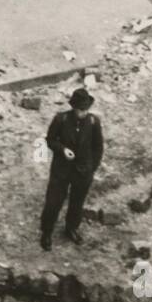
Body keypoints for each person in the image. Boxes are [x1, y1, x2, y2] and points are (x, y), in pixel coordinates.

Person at [40, 87, 104, 250]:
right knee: (53, 202)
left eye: (85, 109)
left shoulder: (93, 122)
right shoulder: (60, 119)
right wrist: (62, 150)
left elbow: (98, 148)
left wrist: (91, 169)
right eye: (80, 109)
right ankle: (47, 232)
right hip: (61, 170)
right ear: (73, 107)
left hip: (83, 171)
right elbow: (50, 140)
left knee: (77, 203)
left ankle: (71, 228)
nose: (83, 113)